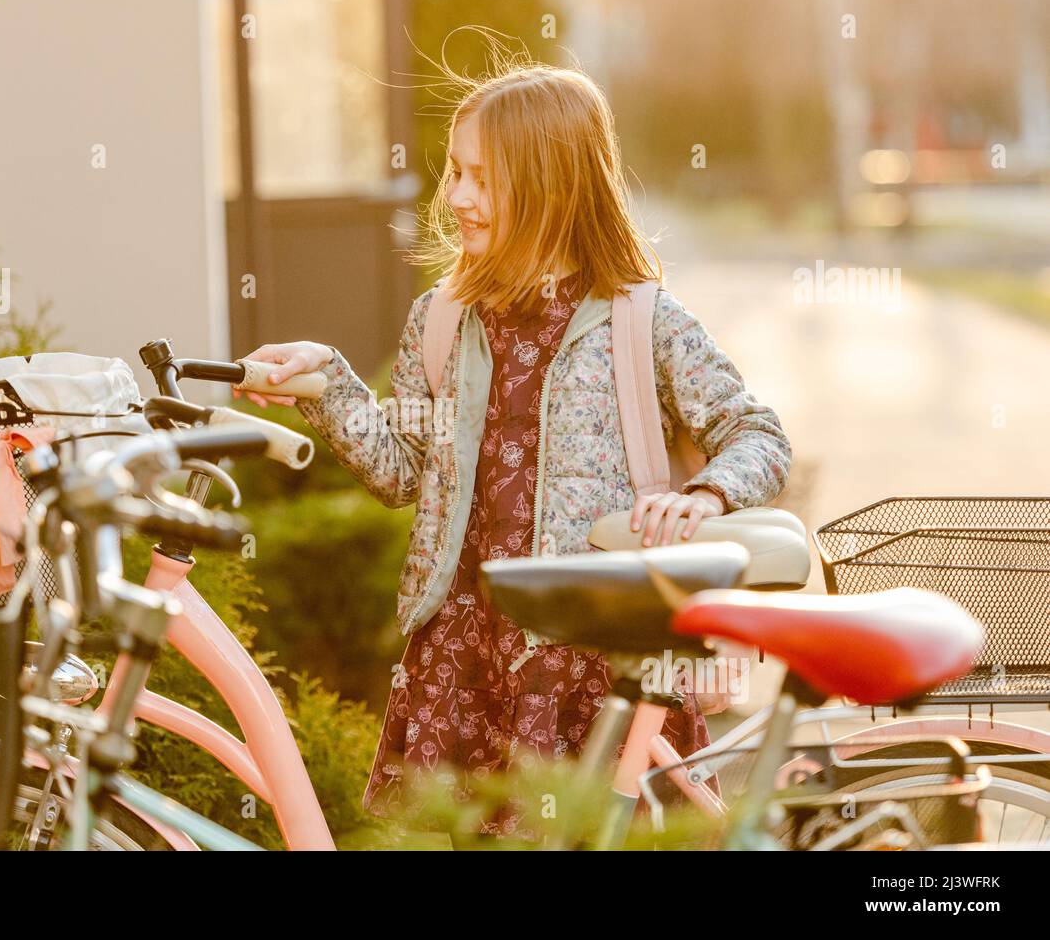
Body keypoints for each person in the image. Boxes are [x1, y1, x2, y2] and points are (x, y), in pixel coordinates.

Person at [233, 54, 791, 837]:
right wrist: (327, 385)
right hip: (462, 651)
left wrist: (703, 496)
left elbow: (758, 434)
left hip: (592, 655)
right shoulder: (441, 318)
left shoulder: (640, 320)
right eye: (454, 173)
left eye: (481, 179)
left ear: (553, 188)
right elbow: (402, 474)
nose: (455, 196)